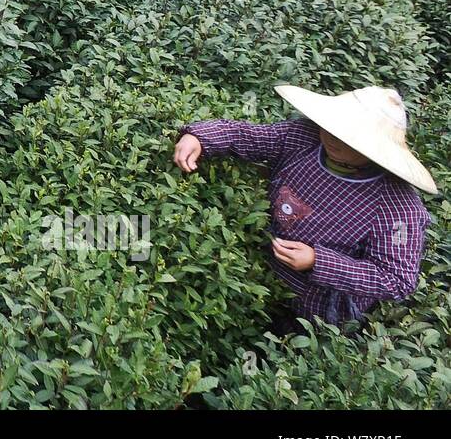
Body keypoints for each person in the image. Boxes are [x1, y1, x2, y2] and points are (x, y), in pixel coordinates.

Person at [173, 84, 436, 331]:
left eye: (349, 137)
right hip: (254, 273)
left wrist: (318, 261)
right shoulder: (304, 138)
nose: (333, 138)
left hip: (315, 311)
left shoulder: (399, 207)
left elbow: (396, 279)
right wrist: (200, 138)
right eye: (333, 127)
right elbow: (248, 136)